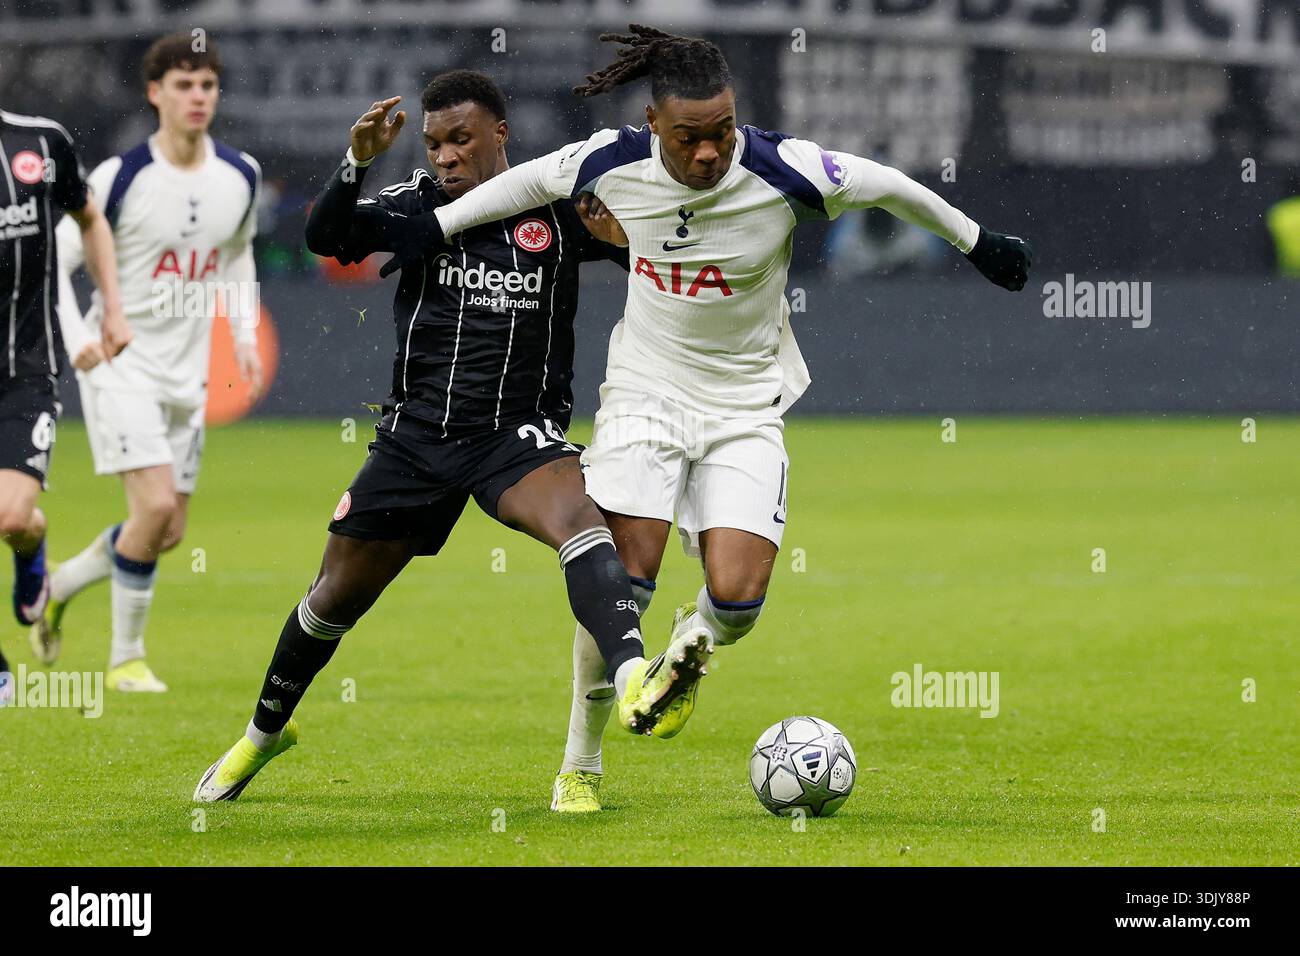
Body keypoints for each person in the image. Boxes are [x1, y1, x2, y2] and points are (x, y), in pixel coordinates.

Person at [413, 25, 1033, 811]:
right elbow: (509, 190)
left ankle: (688, 652)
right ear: (653, 125)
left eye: (721, 133)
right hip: (645, 395)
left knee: (737, 601)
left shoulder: (783, 168)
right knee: (623, 584)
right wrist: (418, 230)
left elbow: (887, 185)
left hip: (744, 406)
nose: (709, 153)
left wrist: (978, 243)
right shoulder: (607, 161)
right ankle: (581, 764)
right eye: (689, 138)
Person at [193, 70, 710, 805]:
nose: (444, 156)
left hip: (515, 434)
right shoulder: (413, 206)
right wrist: (356, 161)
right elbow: (326, 237)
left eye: (460, 139)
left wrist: (636, 224)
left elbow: (657, 253)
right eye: (434, 143)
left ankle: (635, 683)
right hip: (415, 440)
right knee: (333, 598)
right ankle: (263, 735)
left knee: (583, 526)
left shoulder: (557, 208)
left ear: (501, 134)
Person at [48, 33, 264, 691]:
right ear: (154, 93)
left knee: (167, 529)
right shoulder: (119, 178)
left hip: (186, 372)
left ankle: (59, 583)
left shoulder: (241, 174)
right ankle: (124, 660)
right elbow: (58, 258)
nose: (197, 97)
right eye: (183, 85)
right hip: (119, 362)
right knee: (154, 508)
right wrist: (70, 335)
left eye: (206, 85)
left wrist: (245, 332)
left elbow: (237, 253)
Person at [0, 107, 129, 706]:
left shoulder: (43, 142)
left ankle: (31, 548)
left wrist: (113, 307)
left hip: (26, 371)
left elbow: (90, 218)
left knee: (11, 518)